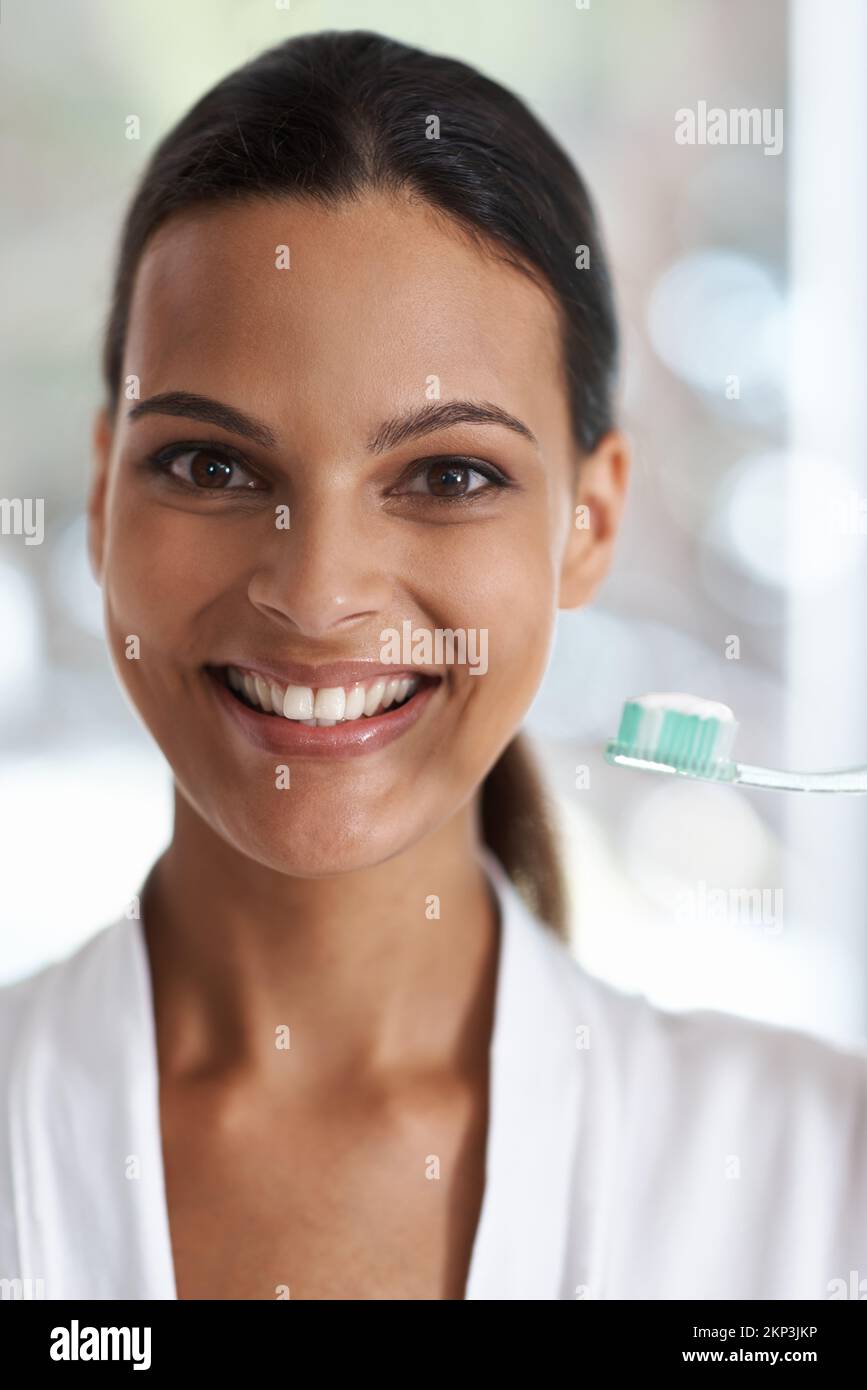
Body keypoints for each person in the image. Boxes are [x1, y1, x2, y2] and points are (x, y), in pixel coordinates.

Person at [2, 29, 866, 1301]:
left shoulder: (817, 1184)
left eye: (450, 475)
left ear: (592, 521)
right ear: (100, 489)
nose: (314, 594)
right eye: (211, 465)